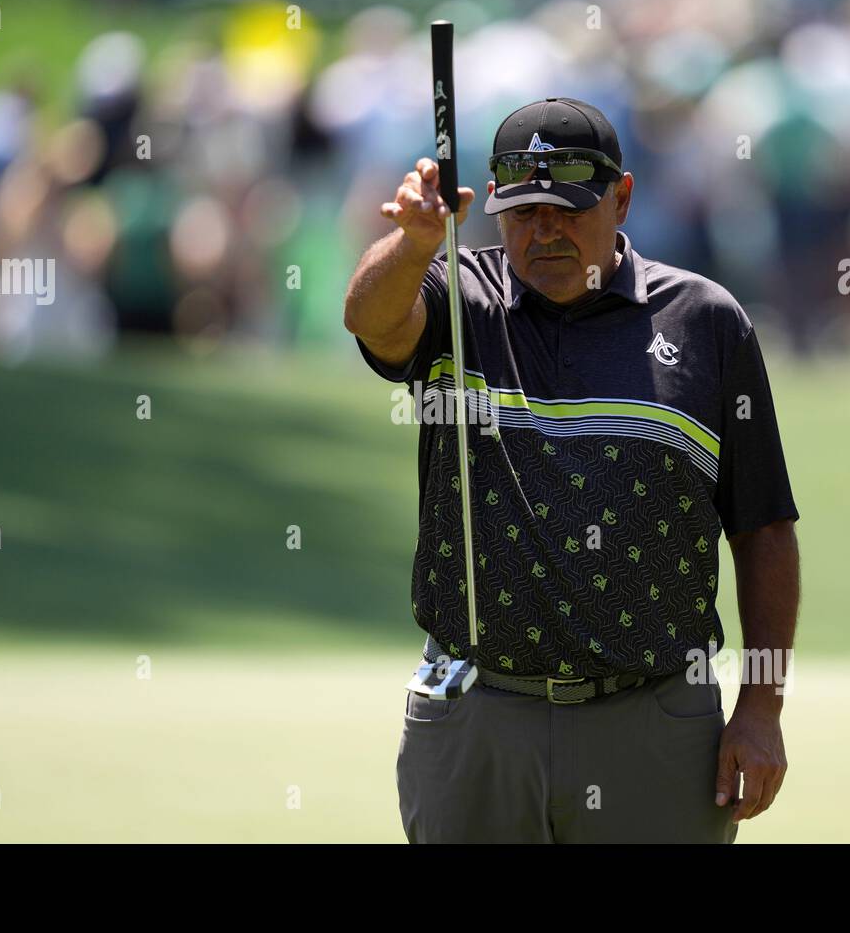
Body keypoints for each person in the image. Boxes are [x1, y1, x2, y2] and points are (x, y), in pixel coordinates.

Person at [343, 97, 801, 843]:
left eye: (567, 209)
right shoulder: (457, 299)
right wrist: (414, 243)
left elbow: (764, 527)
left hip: (654, 721)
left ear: (621, 198)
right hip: (476, 714)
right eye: (523, 213)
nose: (544, 231)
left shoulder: (704, 321)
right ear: (492, 208)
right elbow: (371, 319)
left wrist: (762, 705)